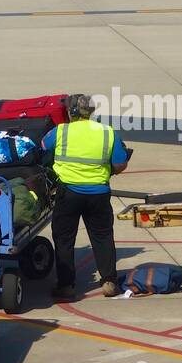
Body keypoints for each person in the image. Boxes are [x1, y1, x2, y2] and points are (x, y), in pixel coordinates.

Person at [44, 94, 129, 299]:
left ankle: (66, 285)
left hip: (68, 192)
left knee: (64, 239)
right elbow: (120, 164)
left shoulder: (61, 131)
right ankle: (109, 281)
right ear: (90, 111)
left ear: (71, 112)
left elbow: (43, 147)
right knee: (103, 236)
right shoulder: (107, 132)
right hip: (99, 193)